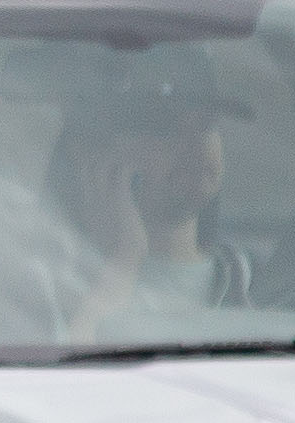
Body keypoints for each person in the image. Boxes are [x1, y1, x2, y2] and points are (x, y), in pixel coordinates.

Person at [46, 41, 252, 325]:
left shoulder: (268, 285)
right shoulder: (45, 289)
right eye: (163, 127)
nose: (195, 142)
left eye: (206, 123)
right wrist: (120, 263)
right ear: (89, 154)